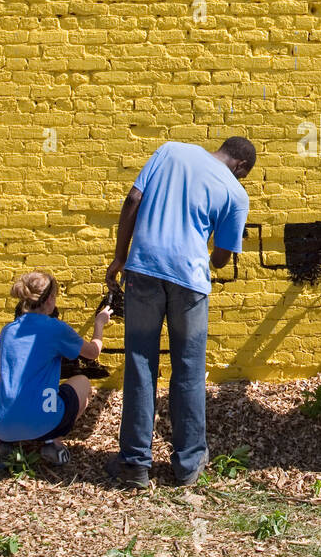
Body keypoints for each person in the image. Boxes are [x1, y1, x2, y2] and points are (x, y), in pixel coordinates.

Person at [104, 137, 255, 488]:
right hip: (189, 282)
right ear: (241, 167)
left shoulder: (171, 151)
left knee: (140, 363)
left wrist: (120, 256)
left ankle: (134, 464)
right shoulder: (236, 193)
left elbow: (133, 200)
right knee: (188, 367)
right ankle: (187, 465)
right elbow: (220, 258)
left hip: (143, 269)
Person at [0, 271, 111, 467]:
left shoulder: (8, 330)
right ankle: (52, 440)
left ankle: (9, 447)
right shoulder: (56, 329)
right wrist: (99, 323)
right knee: (83, 383)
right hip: (43, 421)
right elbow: (93, 352)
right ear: (49, 300)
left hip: (0, 424)